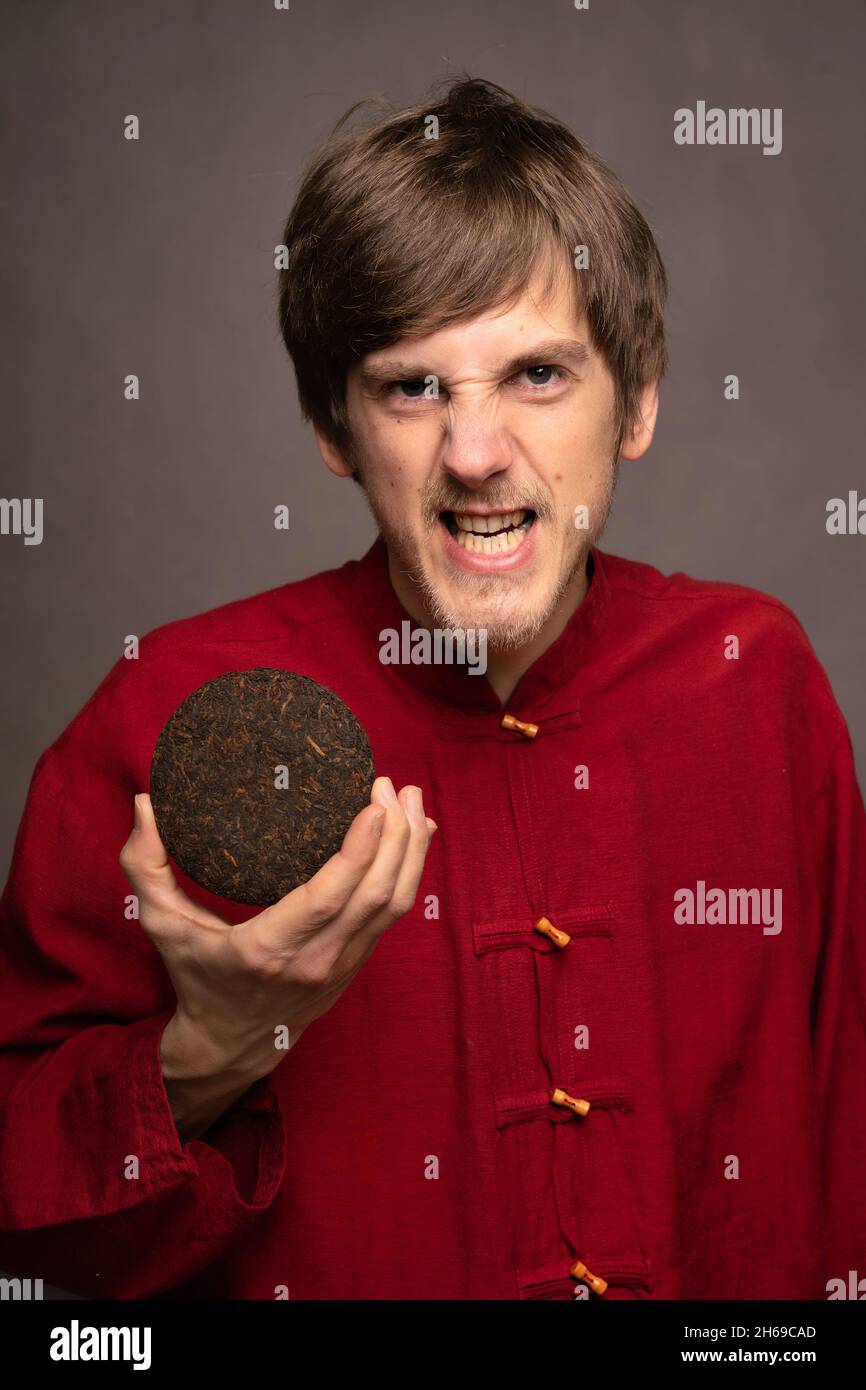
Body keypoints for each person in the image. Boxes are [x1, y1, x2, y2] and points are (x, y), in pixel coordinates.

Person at [0, 76, 863, 1301]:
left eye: (537, 376)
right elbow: (31, 1244)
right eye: (412, 387)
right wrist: (210, 1053)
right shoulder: (165, 716)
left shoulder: (754, 679)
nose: (471, 452)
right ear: (334, 429)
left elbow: (845, 1143)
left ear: (640, 399)